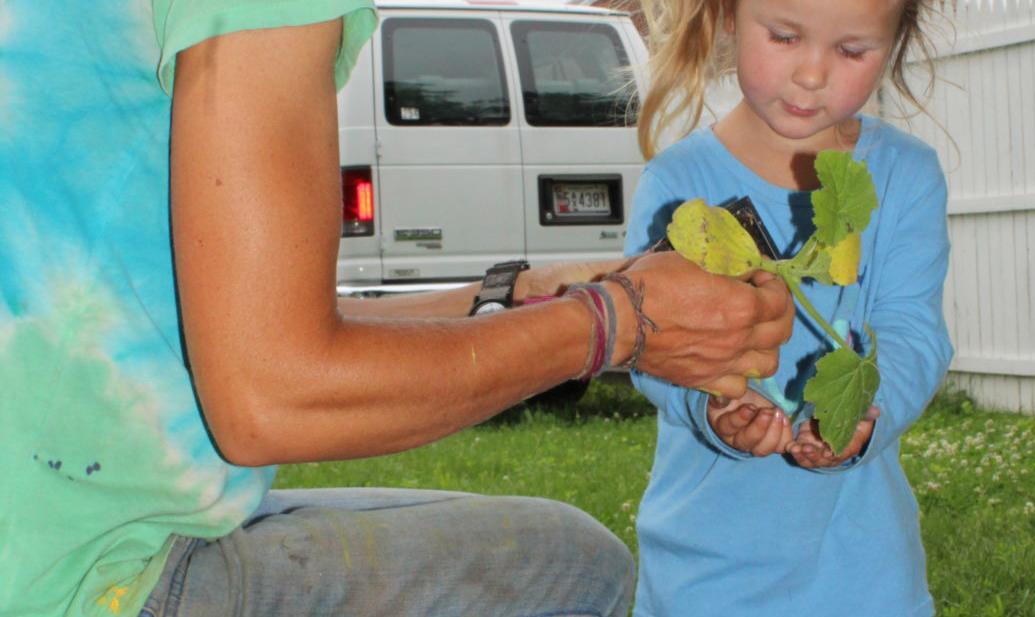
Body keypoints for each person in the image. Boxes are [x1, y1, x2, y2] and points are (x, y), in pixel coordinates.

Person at [0, 2, 798, 617]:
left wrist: (508, 297)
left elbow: (213, 326)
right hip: (82, 579)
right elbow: (270, 392)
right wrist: (614, 322)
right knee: (572, 567)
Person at [623, 0, 955, 614]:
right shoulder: (677, 182)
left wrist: (865, 418)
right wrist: (713, 401)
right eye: (784, 36)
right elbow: (651, 348)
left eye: (852, 51)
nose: (812, 73)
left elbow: (914, 331)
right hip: (705, 573)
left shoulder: (907, 175)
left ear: (895, 41)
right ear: (728, 19)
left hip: (863, 574)